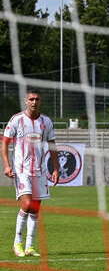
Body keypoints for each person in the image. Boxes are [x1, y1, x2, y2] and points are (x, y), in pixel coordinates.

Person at [2, 92, 58, 257]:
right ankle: (17, 243)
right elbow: (4, 143)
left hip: (39, 171)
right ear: (26, 101)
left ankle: (30, 246)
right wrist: (6, 165)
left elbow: (52, 144)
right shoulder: (16, 119)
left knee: (35, 208)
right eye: (31, 99)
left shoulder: (46, 121)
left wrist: (55, 168)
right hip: (22, 170)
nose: (34, 102)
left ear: (40, 101)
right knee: (27, 204)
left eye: (37, 99)